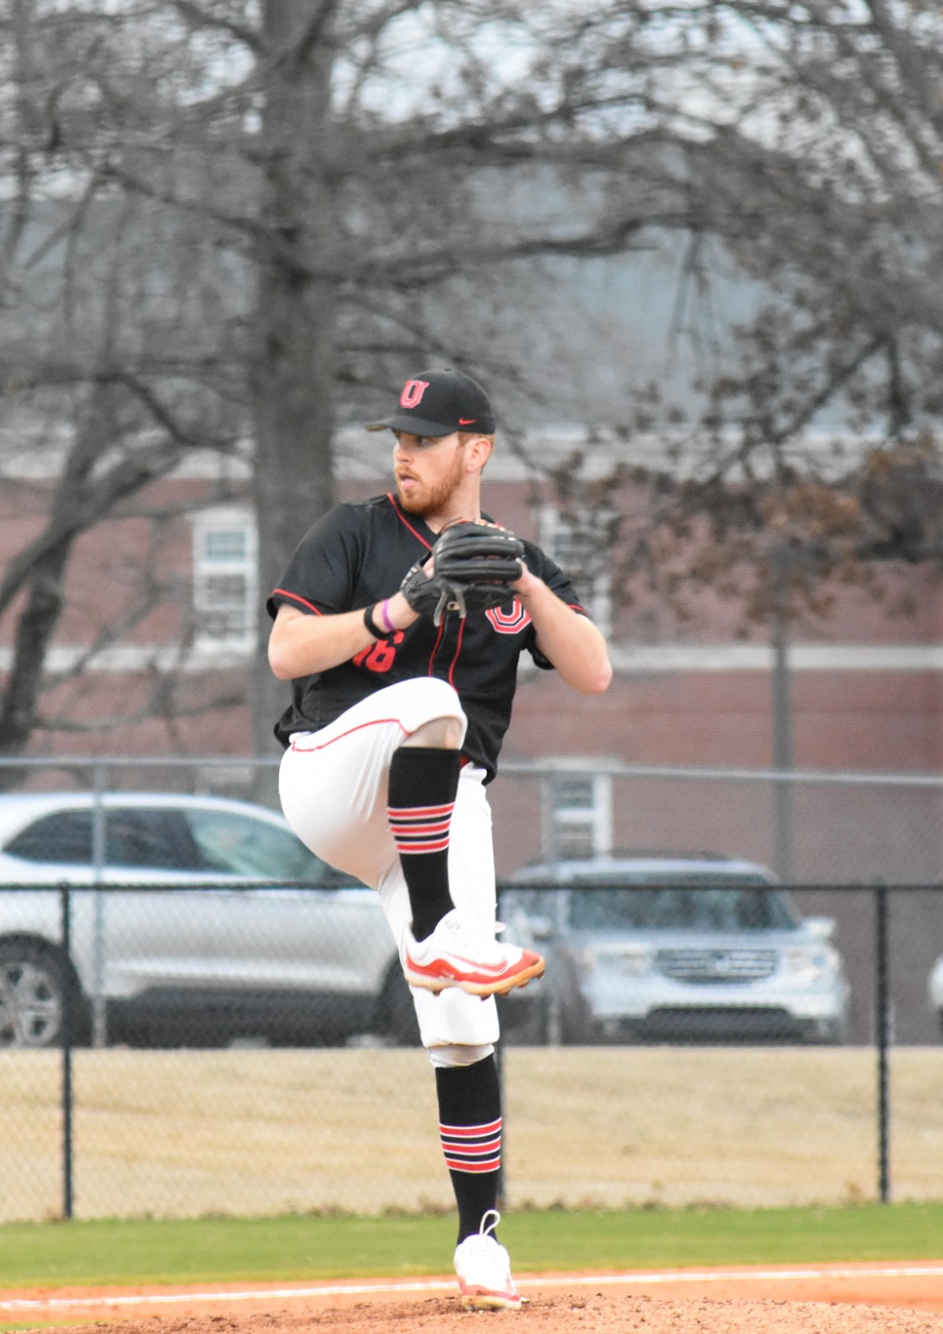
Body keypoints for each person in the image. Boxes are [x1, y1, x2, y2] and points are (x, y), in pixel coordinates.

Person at [267, 368, 611, 1309]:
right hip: (336, 772)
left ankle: (478, 1241)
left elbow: (593, 671)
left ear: (477, 449)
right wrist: (402, 605)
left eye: (424, 437)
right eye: (399, 437)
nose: (404, 452)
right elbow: (287, 653)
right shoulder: (355, 532)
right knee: (429, 699)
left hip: (442, 807)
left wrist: (525, 581)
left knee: (464, 1026)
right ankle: (441, 931)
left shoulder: (517, 563)